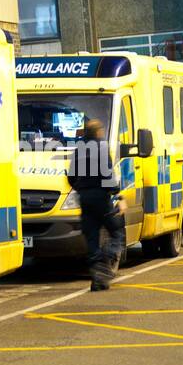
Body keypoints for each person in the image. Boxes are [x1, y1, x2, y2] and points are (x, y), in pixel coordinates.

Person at [66, 119, 126, 290]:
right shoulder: (101, 147)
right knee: (116, 232)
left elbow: (71, 177)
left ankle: (97, 278)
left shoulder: (79, 149)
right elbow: (108, 176)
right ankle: (106, 263)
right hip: (101, 198)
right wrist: (119, 196)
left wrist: (80, 189)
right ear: (98, 132)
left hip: (85, 199)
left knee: (91, 237)